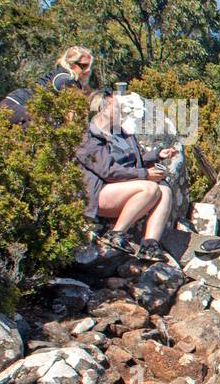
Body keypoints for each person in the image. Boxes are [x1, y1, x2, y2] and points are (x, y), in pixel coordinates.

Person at [75, 90, 177, 260]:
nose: (122, 110)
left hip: (122, 188)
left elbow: (132, 161)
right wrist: (145, 174)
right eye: (117, 107)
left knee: (164, 190)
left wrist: (158, 155)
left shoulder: (121, 134)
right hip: (100, 193)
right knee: (150, 188)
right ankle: (115, 235)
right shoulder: (88, 138)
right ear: (102, 109)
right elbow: (108, 171)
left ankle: (150, 245)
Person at [0, 45, 94, 126]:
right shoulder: (66, 79)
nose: (88, 70)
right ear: (72, 64)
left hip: (16, 109)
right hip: (13, 107)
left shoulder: (69, 78)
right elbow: (72, 113)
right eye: (84, 65)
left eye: (90, 66)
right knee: (43, 123)